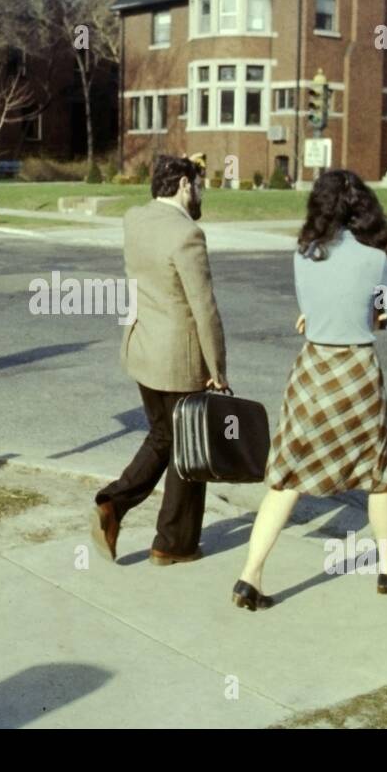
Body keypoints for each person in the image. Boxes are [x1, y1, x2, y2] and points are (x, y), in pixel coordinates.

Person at [232, 169, 387, 610]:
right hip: (356, 374)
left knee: (286, 478)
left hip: (312, 370)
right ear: (363, 208)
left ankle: (250, 574)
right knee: (379, 477)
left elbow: (310, 310)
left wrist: (314, 318)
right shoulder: (374, 260)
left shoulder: (304, 255)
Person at [91, 154, 227, 566]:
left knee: (163, 437)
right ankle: (173, 543)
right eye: (198, 184)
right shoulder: (188, 234)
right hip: (180, 359)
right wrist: (217, 370)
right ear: (185, 184)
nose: (201, 192)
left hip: (143, 351)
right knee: (190, 452)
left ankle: (112, 503)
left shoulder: (135, 219)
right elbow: (204, 308)